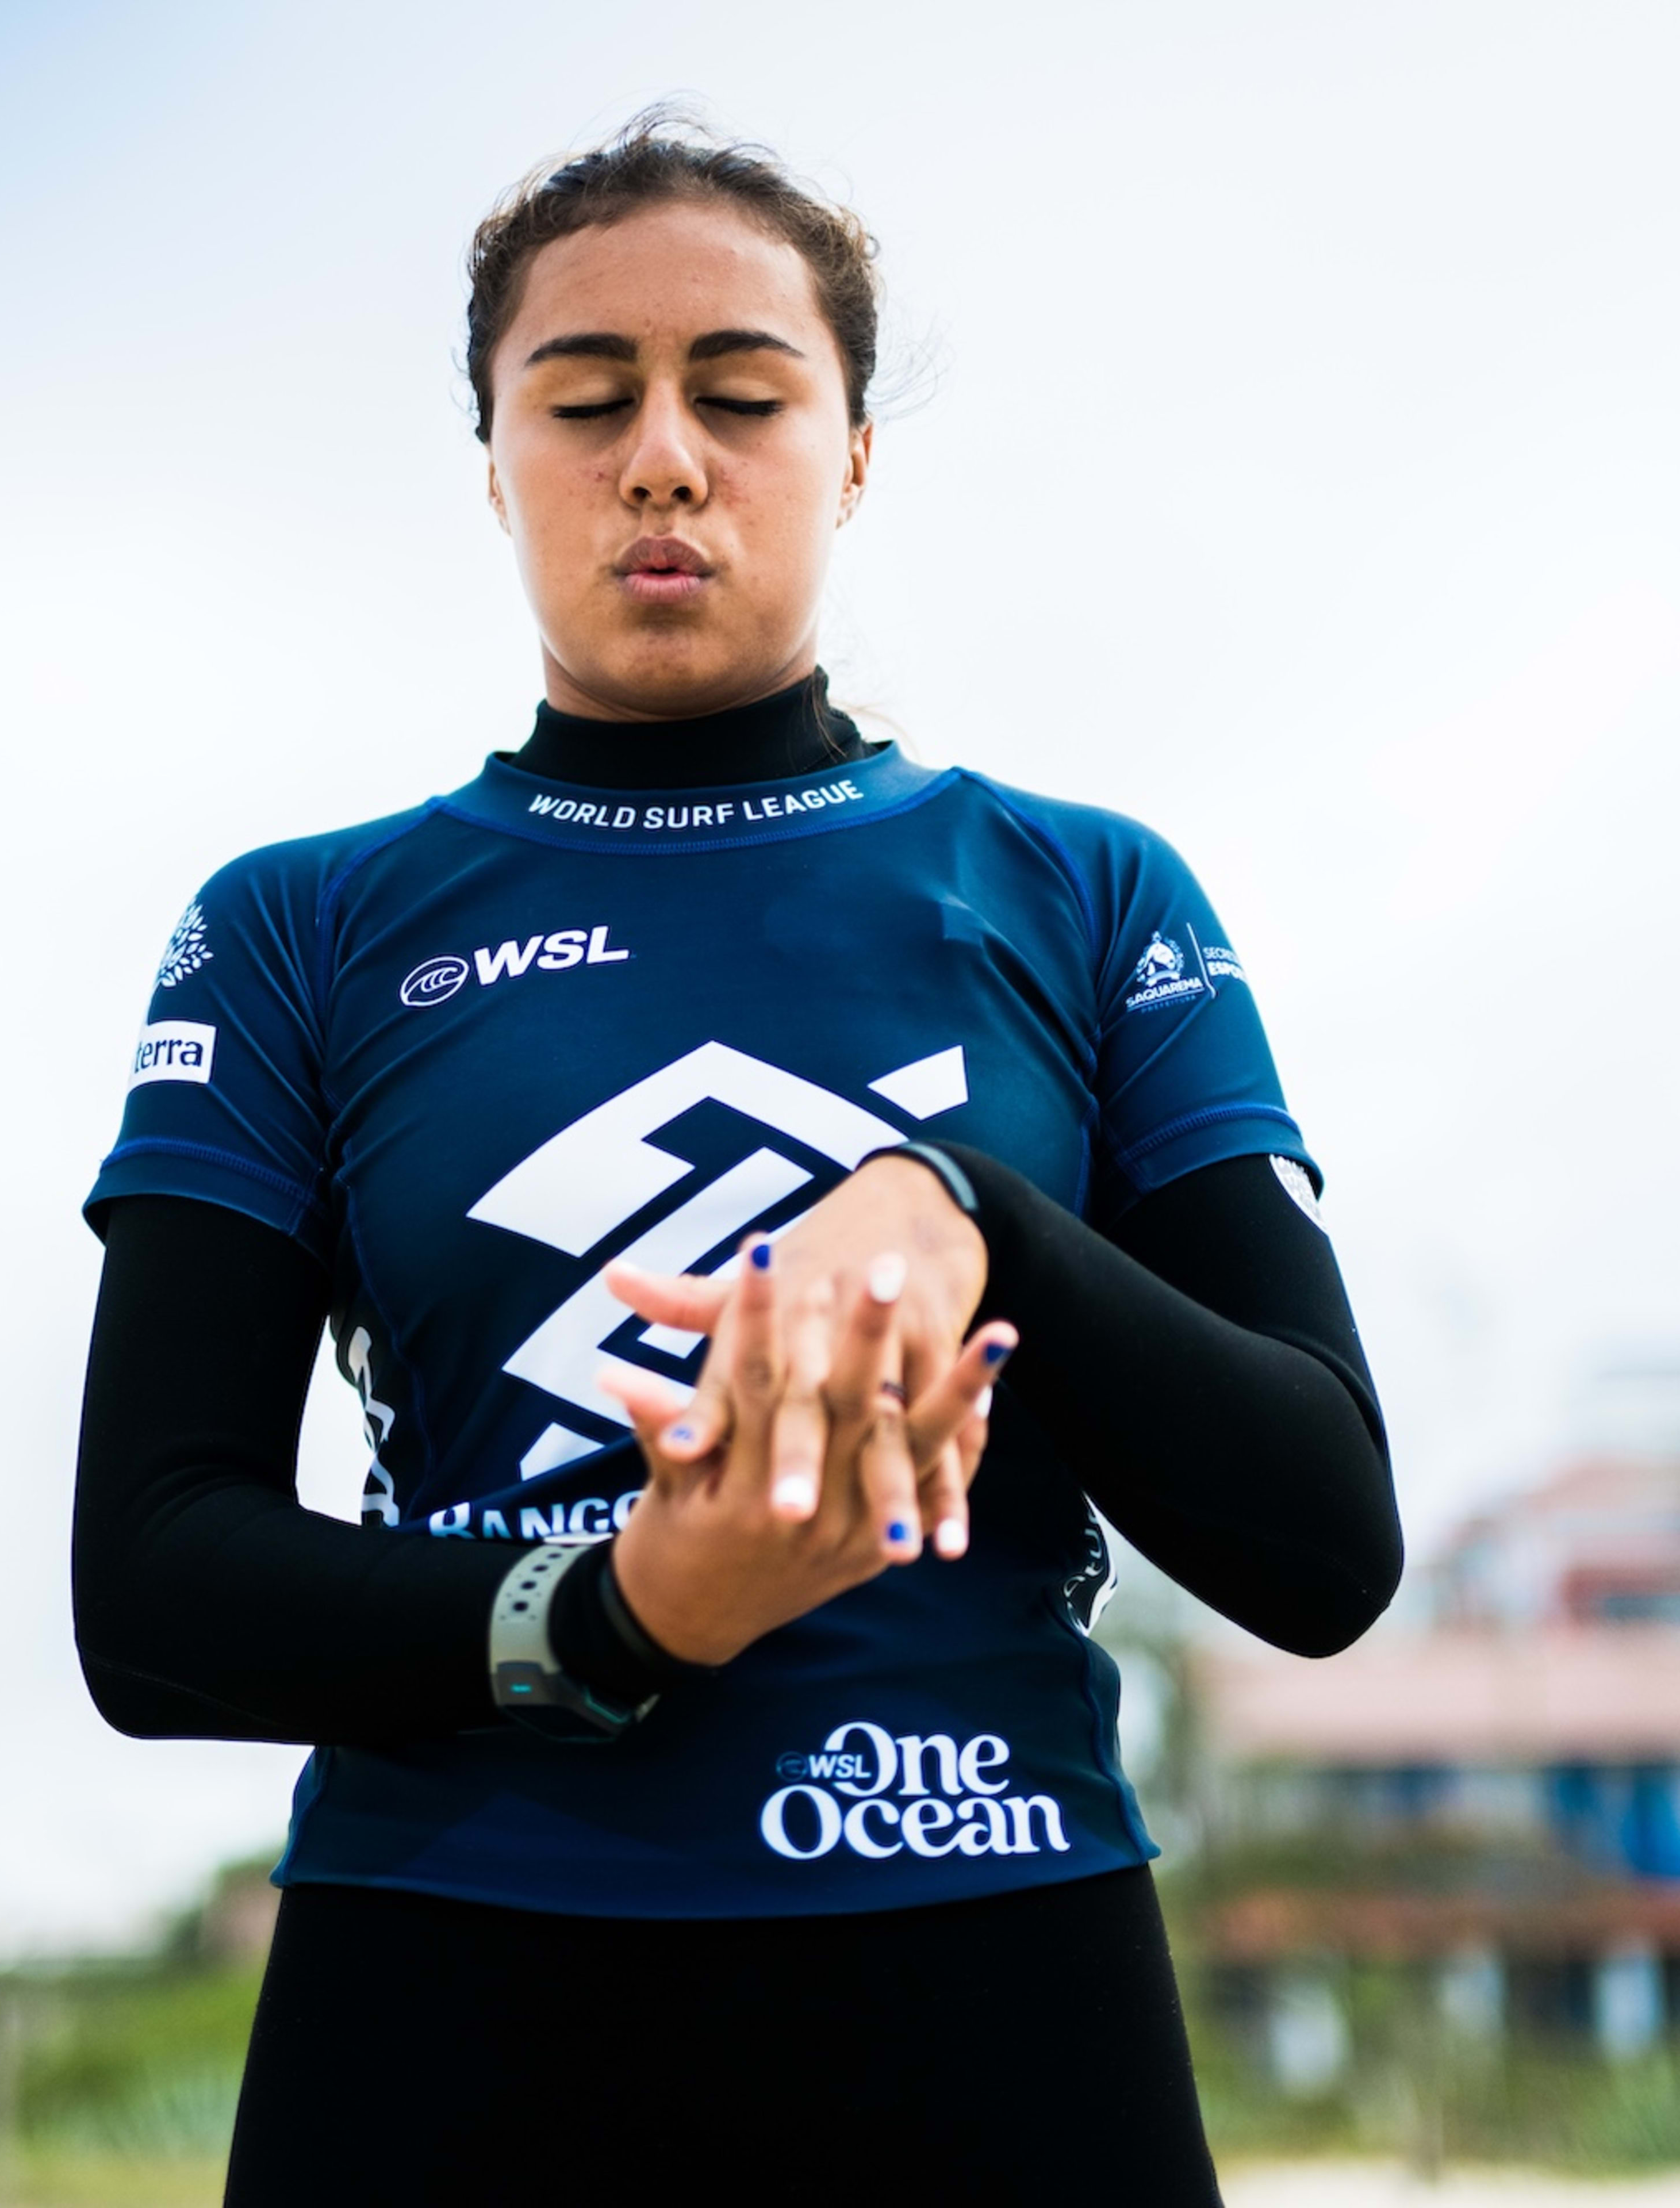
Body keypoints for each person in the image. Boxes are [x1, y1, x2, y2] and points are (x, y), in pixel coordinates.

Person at [72, 113, 1402, 2205]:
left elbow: (1326, 1545)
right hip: (450, 1982)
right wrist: (611, 1612)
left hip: (990, 1957)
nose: (664, 459)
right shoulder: (293, 929)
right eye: (585, 401)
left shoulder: (1079, 890)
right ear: (495, 458)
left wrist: (974, 1220)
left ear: (852, 448)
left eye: (745, 396)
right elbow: (149, 1593)